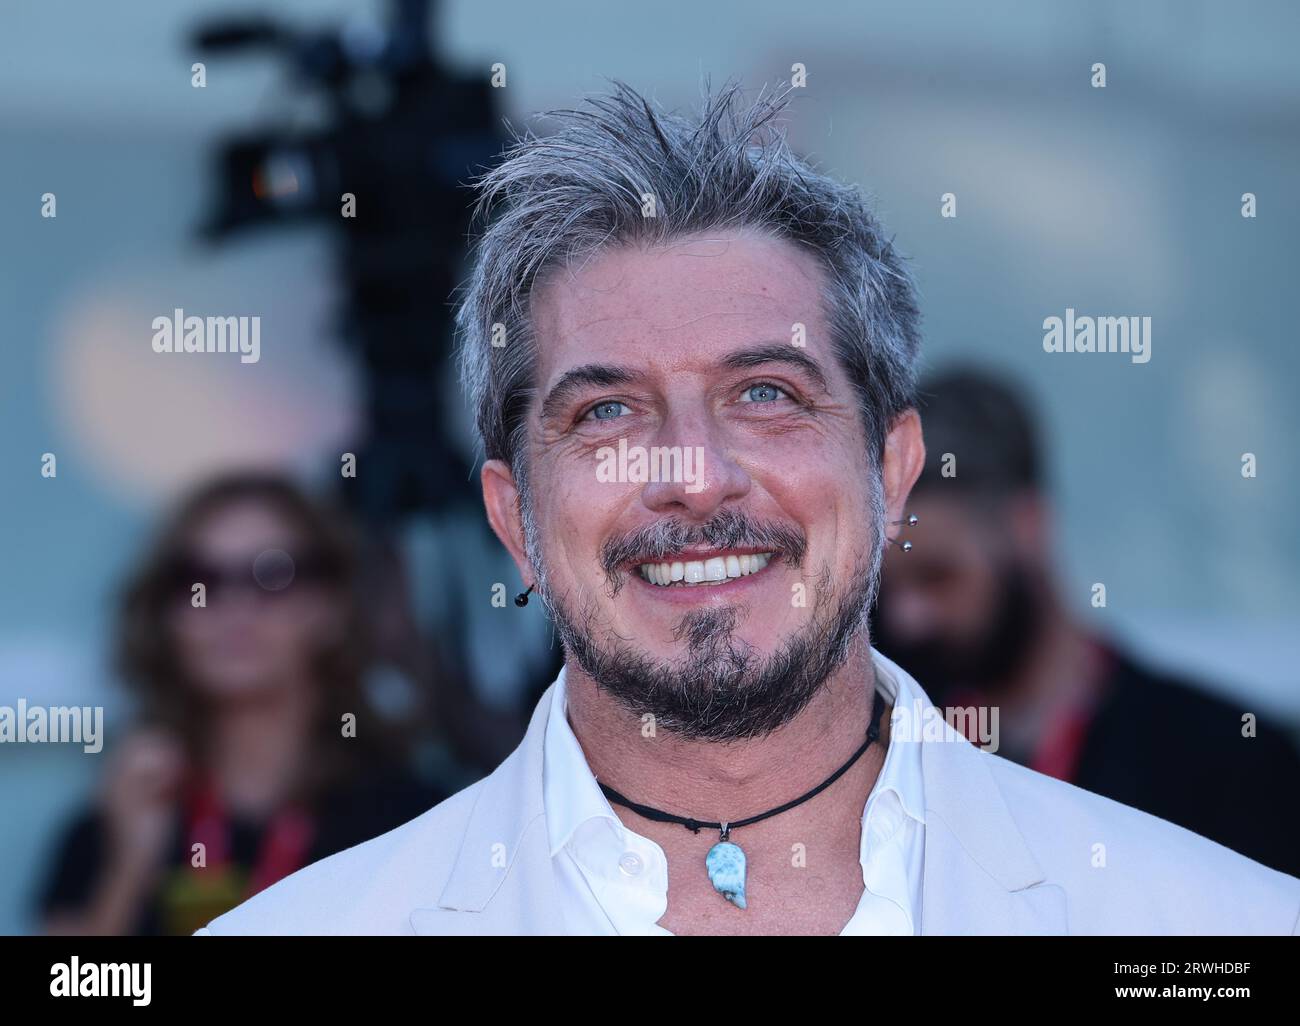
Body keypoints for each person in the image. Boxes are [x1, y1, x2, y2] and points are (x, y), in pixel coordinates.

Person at [198, 81, 1300, 935]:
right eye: (609, 411)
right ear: (512, 517)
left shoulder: (1213, 928)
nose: (695, 473)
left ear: (894, 468)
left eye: (765, 395)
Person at [872, 367, 1300, 878]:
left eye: (939, 577)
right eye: (883, 590)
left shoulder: (1229, 765)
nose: (907, 617)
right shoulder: (881, 758)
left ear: (1027, 526)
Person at [38, 472, 447, 935]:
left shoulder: (412, 819)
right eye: (201, 580)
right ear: (165, 619)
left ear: (331, 608)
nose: (234, 607)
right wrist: (128, 865)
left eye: (273, 575)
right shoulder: (112, 826)